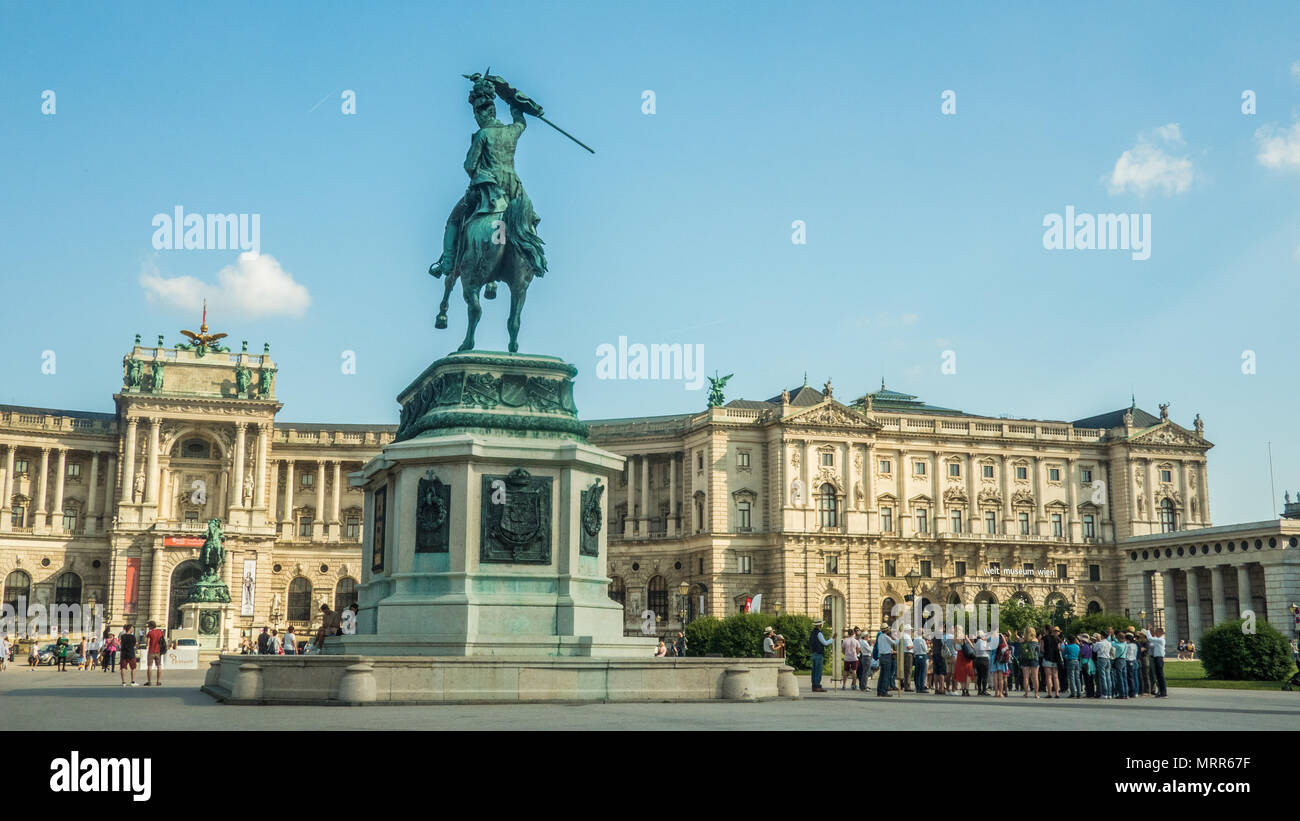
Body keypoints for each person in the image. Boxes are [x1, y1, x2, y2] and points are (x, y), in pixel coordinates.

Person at [874, 623, 898, 697]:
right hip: (887, 656)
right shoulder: (886, 637)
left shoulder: (880, 636)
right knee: (886, 675)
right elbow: (895, 643)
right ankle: (884, 691)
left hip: (881, 656)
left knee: (882, 675)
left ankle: (879, 691)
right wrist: (897, 638)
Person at [808, 620, 832, 692]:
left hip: (813, 653)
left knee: (814, 670)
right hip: (818, 653)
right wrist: (832, 639)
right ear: (819, 625)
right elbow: (825, 643)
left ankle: (814, 685)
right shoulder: (819, 633)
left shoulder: (812, 633)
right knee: (818, 670)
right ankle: (817, 686)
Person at [1144, 627, 1168, 698]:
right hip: (1157, 658)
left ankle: (1164, 692)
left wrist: (1147, 630)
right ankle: (1161, 691)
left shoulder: (1161, 640)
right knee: (1158, 676)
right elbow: (1151, 645)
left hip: (1159, 658)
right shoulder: (1158, 640)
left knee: (1160, 676)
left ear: (1160, 633)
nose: (1155, 633)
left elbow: (1150, 639)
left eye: (1156, 632)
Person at [1041, 626, 1062, 698]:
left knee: (1048, 677)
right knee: (1056, 677)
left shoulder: (1044, 638)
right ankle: (1057, 693)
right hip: (1055, 659)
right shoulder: (1057, 638)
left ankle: (1049, 693)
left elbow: (1042, 649)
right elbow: (1059, 648)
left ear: (1047, 630)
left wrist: (1047, 651)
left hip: (1047, 658)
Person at [1019, 628, 1040, 698]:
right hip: (1034, 659)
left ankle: (1026, 693)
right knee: (1035, 677)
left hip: (1025, 660)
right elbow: (1038, 650)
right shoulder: (1035, 640)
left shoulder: (1022, 640)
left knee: (1026, 677)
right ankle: (1036, 694)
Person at [144, 621, 166, 686]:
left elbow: (147, 643)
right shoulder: (160, 632)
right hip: (158, 651)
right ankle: (158, 681)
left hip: (151, 651)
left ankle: (149, 681)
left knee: (150, 666)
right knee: (159, 666)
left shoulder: (150, 633)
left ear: (150, 626)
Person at [953, 630, 974, 696]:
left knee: (961, 673)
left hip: (959, 656)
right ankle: (967, 690)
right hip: (966, 656)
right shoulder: (964, 637)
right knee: (968, 673)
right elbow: (972, 646)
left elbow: (955, 649)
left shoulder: (954, 639)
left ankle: (963, 690)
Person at [1111, 631, 1129, 700]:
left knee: (1120, 677)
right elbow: (1116, 641)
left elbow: (1111, 643)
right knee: (1124, 678)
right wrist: (1114, 636)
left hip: (1119, 660)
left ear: (1119, 638)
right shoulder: (1125, 644)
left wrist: (1112, 636)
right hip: (1124, 660)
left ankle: (1122, 693)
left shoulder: (1117, 645)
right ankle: (1126, 693)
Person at [972, 630, 991, 696]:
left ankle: (979, 690)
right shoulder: (984, 642)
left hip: (977, 659)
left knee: (979, 676)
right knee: (985, 676)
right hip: (984, 659)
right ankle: (984, 690)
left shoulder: (975, 642)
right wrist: (988, 642)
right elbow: (989, 649)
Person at [912, 627, 929, 693]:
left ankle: (917, 687)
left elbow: (914, 648)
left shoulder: (914, 640)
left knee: (917, 672)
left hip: (916, 656)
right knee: (922, 672)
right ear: (922, 633)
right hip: (923, 655)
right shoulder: (922, 640)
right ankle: (921, 687)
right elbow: (925, 649)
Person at [1078, 633, 1096, 698]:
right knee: (1090, 679)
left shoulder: (1084, 647)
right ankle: (1092, 693)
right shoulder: (1089, 647)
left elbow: (1080, 655)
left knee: (1086, 679)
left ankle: (1089, 693)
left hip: (1085, 663)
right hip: (1090, 662)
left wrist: (1080, 649)